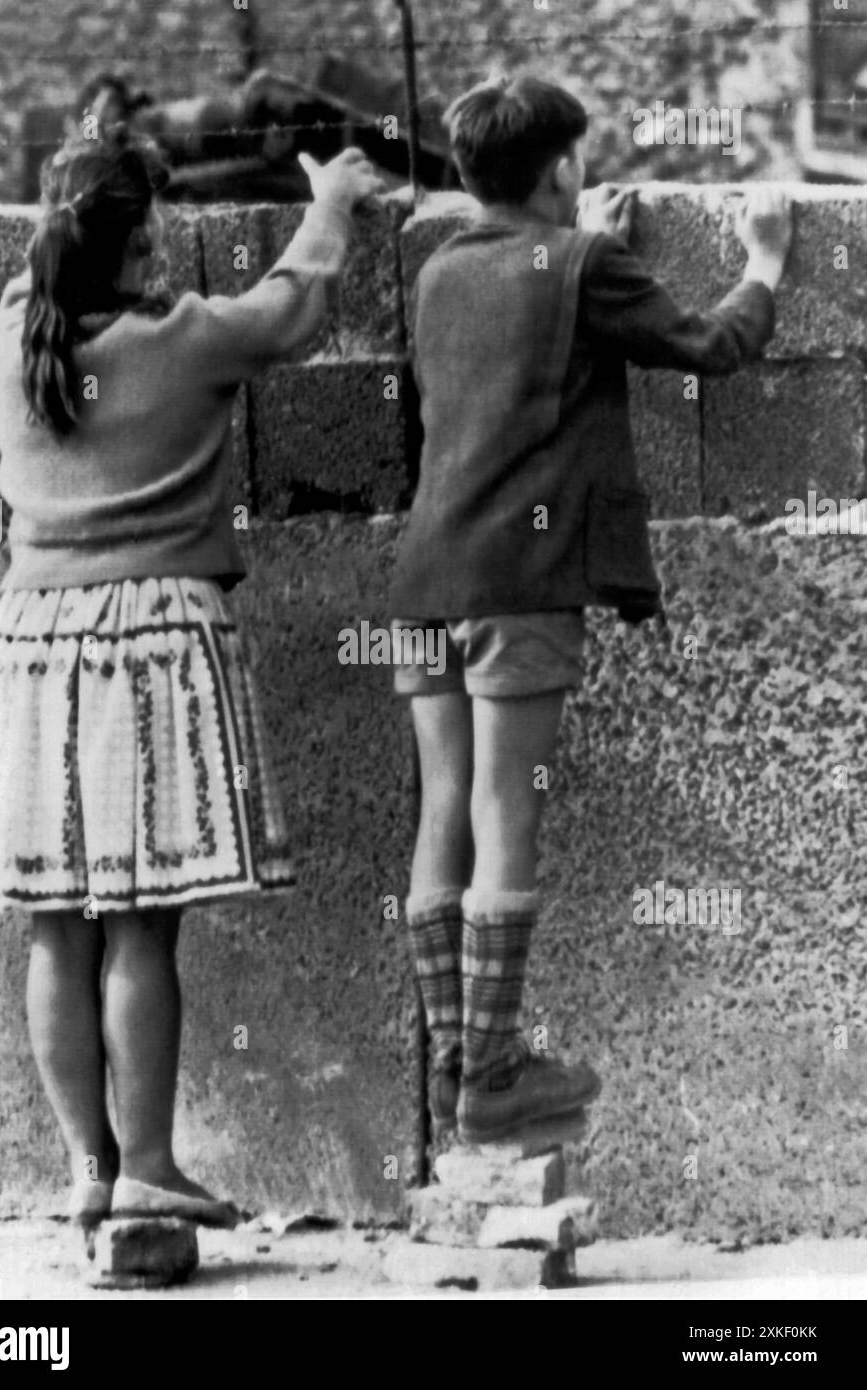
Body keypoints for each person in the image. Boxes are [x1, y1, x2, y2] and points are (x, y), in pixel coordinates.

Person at [0, 130, 383, 1226]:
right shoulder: (182, 340)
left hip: (33, 643)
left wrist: (78, 214)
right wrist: (331, 201)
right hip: (156, 638)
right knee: (138, 925)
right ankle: (150, 1164)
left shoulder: (3, 347)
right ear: (134, 248)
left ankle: (86, 1173)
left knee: (57, 923)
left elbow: (35, 284)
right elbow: (290, 305)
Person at [389, 73, 792, 1146]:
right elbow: (707, 347)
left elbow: (513, 336)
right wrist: (762, 261)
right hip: (520, 589)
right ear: (562, 168)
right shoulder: (582, 265)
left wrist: (587, 251)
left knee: (444, 810)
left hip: (424, 579)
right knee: (506, 813)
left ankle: (451, 1074)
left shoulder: (435, 270)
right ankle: (497, 1075)